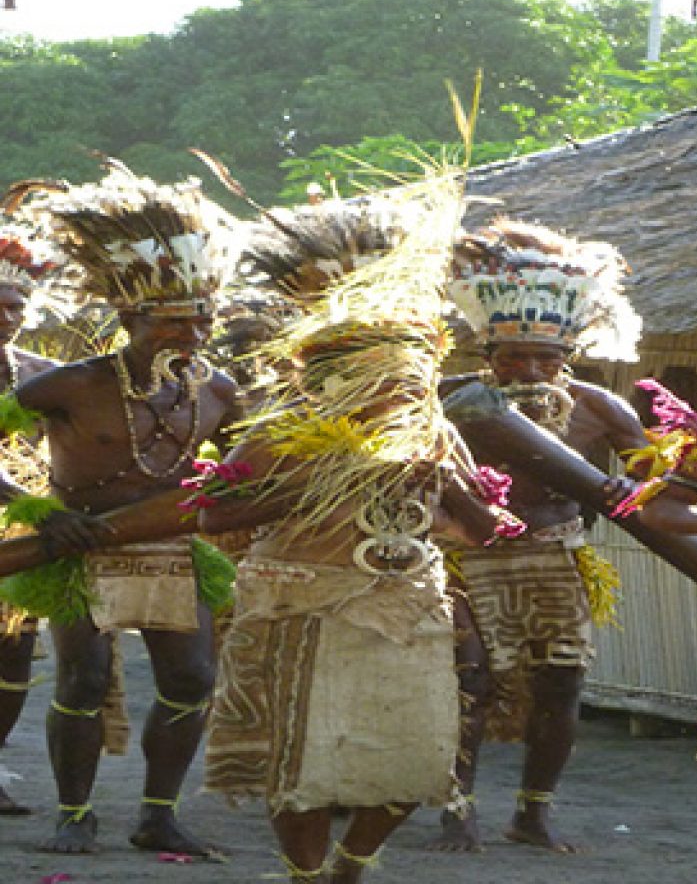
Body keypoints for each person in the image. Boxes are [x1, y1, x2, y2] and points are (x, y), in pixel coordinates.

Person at [200, 173, 508, 883]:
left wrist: (444, 482)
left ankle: (352, 866)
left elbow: (485, 531)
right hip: (299, 604)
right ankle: (308, 875)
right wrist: (315, 485)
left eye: (412, 375)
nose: (404, 389)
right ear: (336, 379)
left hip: (405, 608)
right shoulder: (281, 435)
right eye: (387, 375)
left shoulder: (436, 438)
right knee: (300, 762)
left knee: (417, 758)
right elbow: (214, 515)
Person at [439, 219, 697, 854]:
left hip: (557, 554)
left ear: (568, 356)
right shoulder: (452, 400)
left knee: (560, 683)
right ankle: (456, 809)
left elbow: (650, 491)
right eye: (513, 357)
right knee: (468, 681)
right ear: (487, 356)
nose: (530, 369)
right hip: (464, 557)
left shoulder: (599, 407)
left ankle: (532, 813)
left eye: (546, 358)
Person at [0, 171, 241, 856]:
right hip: (76, 548)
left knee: (192, 680)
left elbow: (248, 464)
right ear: (128, 319)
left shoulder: (220, 390)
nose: (193, 333)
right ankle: (74, 814)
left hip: (172, 548)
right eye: (174, 321)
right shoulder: (71, 384)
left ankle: (158, 816)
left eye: (202, 320)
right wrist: (36, 510)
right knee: (83, 678)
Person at [0, 229, 62, 815]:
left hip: (22, 538)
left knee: (14, 650)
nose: (7, 317)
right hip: (29, 517)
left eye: (16, 307)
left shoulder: (45, 376)